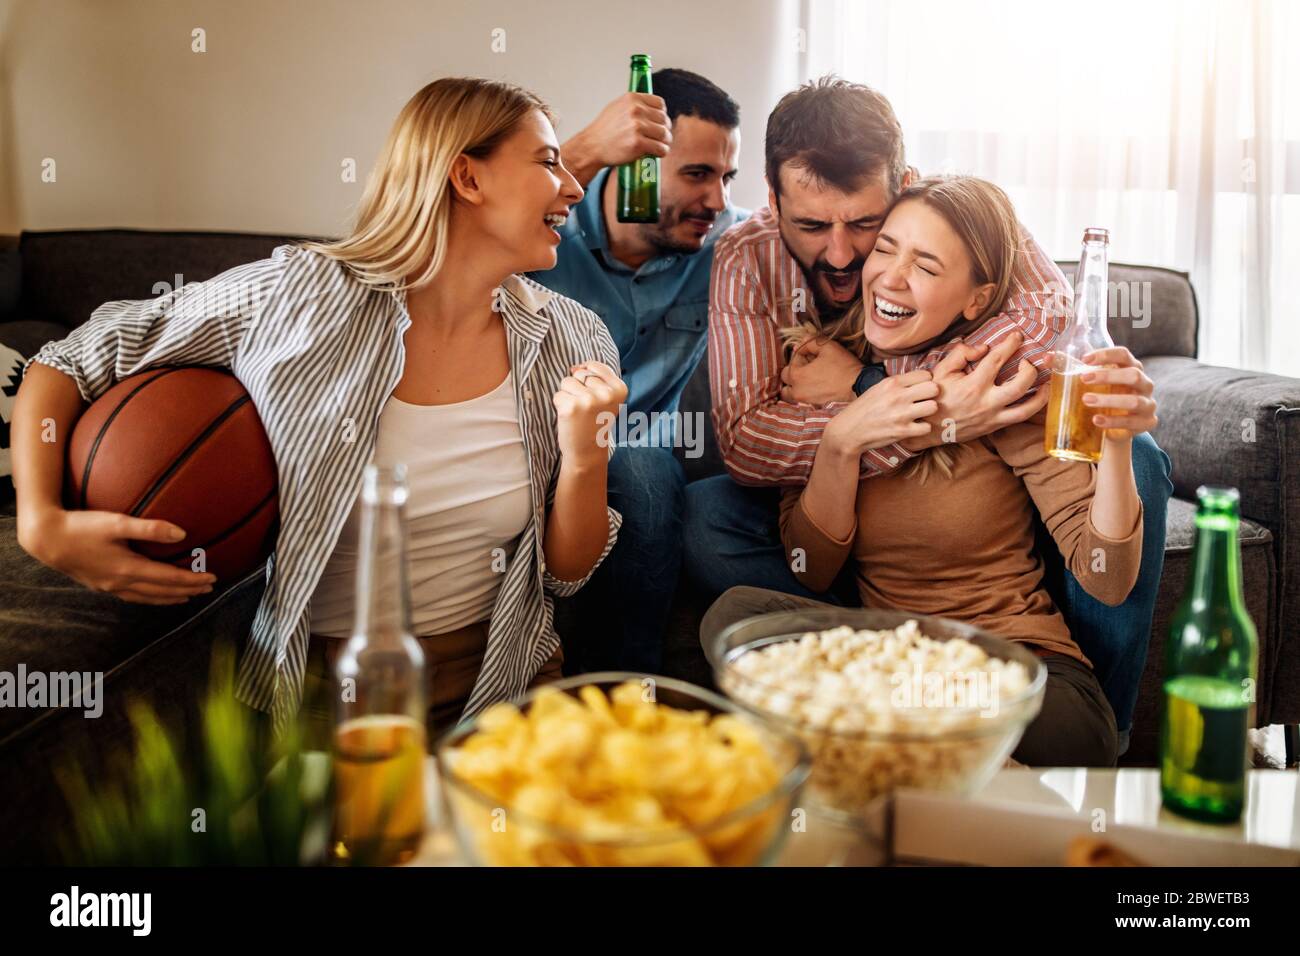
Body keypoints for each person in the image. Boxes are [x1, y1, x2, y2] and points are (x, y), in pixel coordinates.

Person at [12, 77, 626, 739]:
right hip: (316, 700)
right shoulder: (298, 296)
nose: (574, 186)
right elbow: (73, 358)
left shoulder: (575, 338)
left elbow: (566, 576)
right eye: (547, 160)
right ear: (465, 177)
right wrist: (40, 521)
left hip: (501, 683)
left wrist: (586, 460)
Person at [686, 77, 1173, 753]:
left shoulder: (1004, 386)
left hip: (1001, 657)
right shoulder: (805, 354)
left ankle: (1100, 734)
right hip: (891, 645)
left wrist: (880, 394)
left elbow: (1052, 318)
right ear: (772, 203)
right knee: (723, 572)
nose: (850, 259)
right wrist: (852, 433)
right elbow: (787, 526)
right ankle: (905, 739)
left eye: (869, 230)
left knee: (1142, 460)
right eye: (886, 251)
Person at [533, 68, 746, 672]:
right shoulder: (541, 234)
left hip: (644, 470)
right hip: (538, 461)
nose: (718, 201)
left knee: (652, 470)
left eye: (726, 177)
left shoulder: (728, 245)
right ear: (636, 166)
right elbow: (434, 242)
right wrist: (581, 150)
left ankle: (629, 703)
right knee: (643, 467)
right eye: (698, 174)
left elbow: (839, 236)